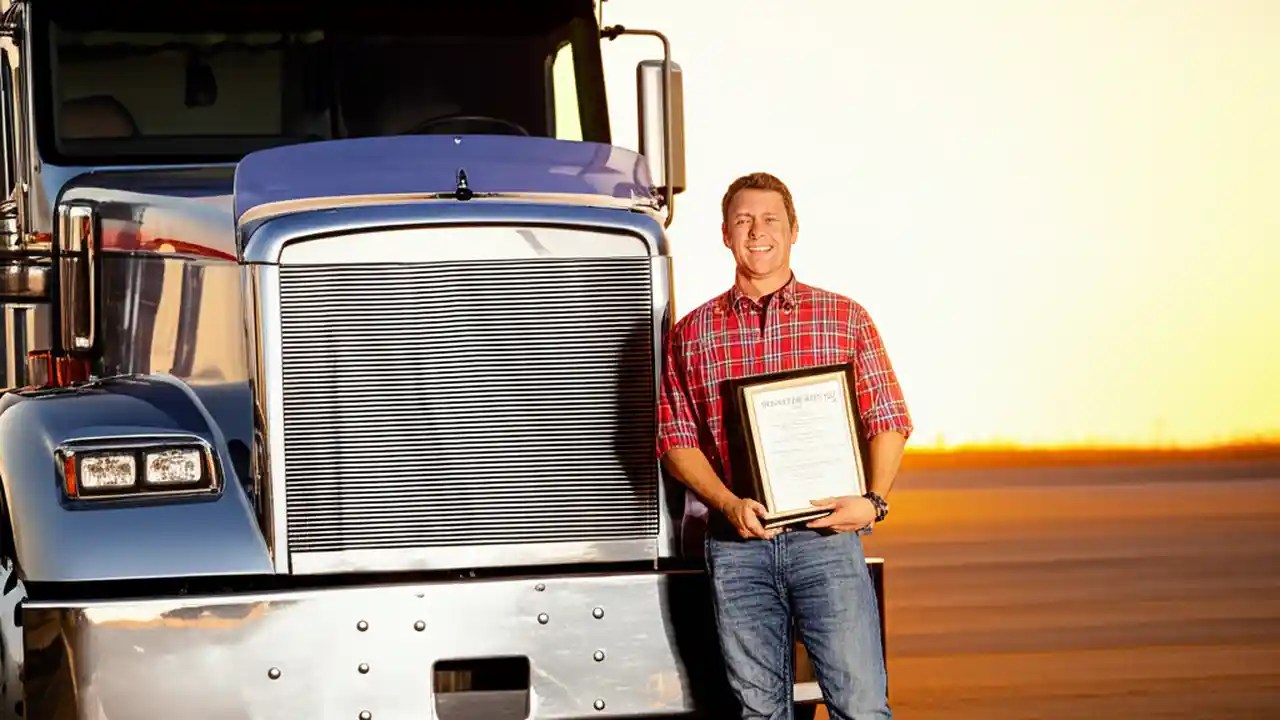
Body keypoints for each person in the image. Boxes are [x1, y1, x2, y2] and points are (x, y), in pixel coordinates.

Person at [657, 172, 912, 719]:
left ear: (794, 230)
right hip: (737, 549)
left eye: (770, 219)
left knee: (860, 707)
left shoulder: (844, 318)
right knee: (761, 714)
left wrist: (873, 501)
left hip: (826, 542)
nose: (757, 231)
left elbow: (888, 418)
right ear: (725, 234)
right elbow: (677, 441)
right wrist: (727, 505)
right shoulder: (693, 333)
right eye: (743, 220)